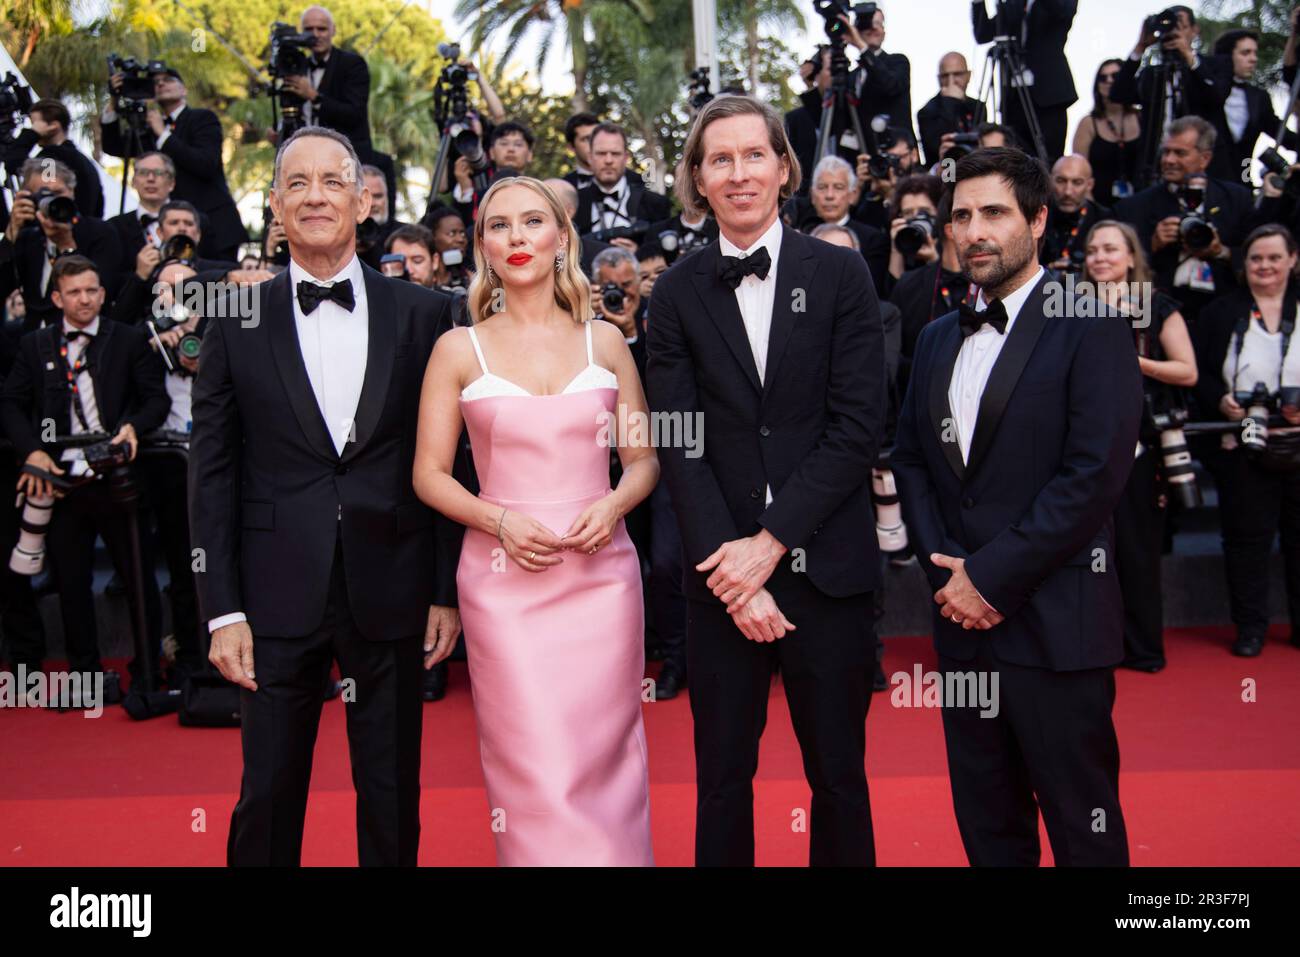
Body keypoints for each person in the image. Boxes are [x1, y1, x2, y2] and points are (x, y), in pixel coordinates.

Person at [188, 127, 463, 866]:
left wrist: (445, 588)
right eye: (297, 184)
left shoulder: (425, 313)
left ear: (362, 200)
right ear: (275, 205)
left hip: (396, 582)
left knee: (391, 790)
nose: (315, 197)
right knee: (269, 791)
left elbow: (449, 460)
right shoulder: (236, 317)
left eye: (332, 182)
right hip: (273, 593)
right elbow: (210, 470)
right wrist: (223, 607)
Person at [647, 95, 886, 867]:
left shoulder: (843, 274)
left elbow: (858, 429)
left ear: (784, 168)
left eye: (755, 155)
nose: (740, 173)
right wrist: (736, 571)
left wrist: (772, 543)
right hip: (720, 585)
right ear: (698, 178)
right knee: (721, 780)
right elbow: (679, 440)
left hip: (828, 570)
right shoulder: (675, 293)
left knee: (841, 780)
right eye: (720, 159)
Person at [892, 147, 1141, 866]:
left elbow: (1093, 475)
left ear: (1037, 219)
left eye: (994, 212)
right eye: (962, 215)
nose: (974, 230)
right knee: (989, 825)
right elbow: (910, 458)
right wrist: (948, 579)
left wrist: (988, 579)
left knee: (1082, 825)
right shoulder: (937, 337)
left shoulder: (1090, 323)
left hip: (1057, 626)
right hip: (964, 632)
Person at [412, 176, 657, 865]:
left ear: (560, 239)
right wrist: (499, 523)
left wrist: (612, 503)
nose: (517, 237)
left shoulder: (605, 342)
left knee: (608, 758)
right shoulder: (458, 349)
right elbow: (428, 475)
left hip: (603, 578)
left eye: (532, 222)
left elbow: (643, 460)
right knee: (535, 762)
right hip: (503, 581)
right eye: (499, 226)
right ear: (483, 246)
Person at [0, 256, 169, 697]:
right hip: (60, 481)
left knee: (138, 579)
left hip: (117, 475)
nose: (85, 299)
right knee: (72, 582)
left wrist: (134, 426)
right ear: (57, 298)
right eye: (74, 292)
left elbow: (155, 400)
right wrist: (33, 452)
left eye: (92, 290)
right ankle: (85, 675)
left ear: (102, 293)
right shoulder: (35, 345)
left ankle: (150, 670)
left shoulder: (129, 339)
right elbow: (11, 404)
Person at [1082, 220, 1198, 672]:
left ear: (1131, 257)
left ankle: (1143, 648)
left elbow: (1187, 372)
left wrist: (1134, 362)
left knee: (1135, 552)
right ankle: (1093, 646)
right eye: (1092, 250)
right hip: (1082, 445)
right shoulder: (1068, 306)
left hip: (1139, 447)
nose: (1100, 257)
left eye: (1110, 249)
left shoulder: (1157, 306)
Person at [1193, 224, 1300, 659]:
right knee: (1245, 541)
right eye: (1256, 258)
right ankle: (1250, 628)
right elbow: (1198, 372)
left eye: (1274, 257)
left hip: (1298, 439)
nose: (1265, 266)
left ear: (1293, 260)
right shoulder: (1222, 311)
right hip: (1242, 441)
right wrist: (1221, 400)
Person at [102, 65, 249, 262]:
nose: (161, 83)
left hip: (214, 229)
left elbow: (206, 164)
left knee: (216, 288)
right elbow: (114, 147)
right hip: (171, 232)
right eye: (155, 82)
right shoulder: (148, 128)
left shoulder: (202, 118)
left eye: (168, 79)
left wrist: (164, 135)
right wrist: (114, 100)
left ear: (183, 90)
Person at [1114, 116, 1254, 321]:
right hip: (1158, 312)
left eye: (1180, 153)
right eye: (1166, 152)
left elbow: (1255, 256)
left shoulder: (1237, 199)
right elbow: (1117, 267)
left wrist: (1220, 251)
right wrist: (1151, 245)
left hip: (1221, 312)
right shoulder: (1134, 207)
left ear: (1204, 159)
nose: (1169, 160)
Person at [1110, 6, 1231, 187]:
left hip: (1202, 171)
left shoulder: (1214, 65)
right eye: (1168, 25)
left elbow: (1217, 96)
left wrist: (1189, 58)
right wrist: (1140, 47)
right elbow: (1119, 93)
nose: (1173, 31)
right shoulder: (1152, 74)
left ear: (1194, 30)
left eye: (1179, 25)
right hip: (1155, 168)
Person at [0, 158, 122, 333]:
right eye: (43, 195)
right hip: (33, 343)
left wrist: (66, 245)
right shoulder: (28, 237)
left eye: (58, 193)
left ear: (72, 192)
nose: (52, 202)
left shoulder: (100, 233)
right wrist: (11, 232)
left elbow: (99, 295)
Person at [971, 0, 1078, 161]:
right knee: (1016, 159)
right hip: (1014, 97)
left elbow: (1062, 12)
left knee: (1049, 159)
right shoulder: (1014, 4)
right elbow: (983, 34)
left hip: (1049, 96)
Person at [1207, 30, 1300, 184]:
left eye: (1255, 53)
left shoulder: (1259, 98)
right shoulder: (1204, 91)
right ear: (1226, 57)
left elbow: (1279, 132)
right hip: (1205, 183)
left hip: (1242, 181)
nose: (1253, 59)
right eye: (1245, 53)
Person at [1, 98, 105, 220]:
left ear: (53, 126)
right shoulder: (84, 161)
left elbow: (14, 163)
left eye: (34, 123)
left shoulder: (53, 157)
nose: (32, 127)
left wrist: (31, 134)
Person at [573, 122, 671, 241]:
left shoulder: (656, 204)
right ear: (590, 157)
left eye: (615, 154)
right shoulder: (573, 206)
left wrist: (639, 254)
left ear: (626, 158)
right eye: (601, 153)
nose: (608, 160)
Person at [805, 156, 889, 293]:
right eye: (822, 187)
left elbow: (872, 292)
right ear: (812, 196)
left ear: (853, 195)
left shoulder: (872, 240)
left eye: (838, 187)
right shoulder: (800, 235)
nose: (829, 195)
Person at [1071, 60, 1143, 204]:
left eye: (1115, 76)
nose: (1109, 81)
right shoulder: (1088, 123)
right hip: (1098, 205)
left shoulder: (1142, 118)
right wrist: (1092, 208)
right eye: (1103, 78)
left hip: (1139, 204)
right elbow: (1078, 170)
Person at [1043, 154, 1111, 273]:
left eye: (1077, 182)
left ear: (1089, 185)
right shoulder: (1034, 214)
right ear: (1050, 181)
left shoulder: (1105, 221)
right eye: (1061, 181)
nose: (1068, 191)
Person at [917, 53, 982, 167]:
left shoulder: (977, 106)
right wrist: (950, 102)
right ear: (938, 78)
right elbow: (936, 147)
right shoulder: (927, 112)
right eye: (945, 76)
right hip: (945, 173)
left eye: (957, 74)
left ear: (968, 76)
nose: (951, 81)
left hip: (976, 168)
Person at [107, 151, 174, 259]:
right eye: (143, 172)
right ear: (133, 182)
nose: (150, 179)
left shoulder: (193, 222)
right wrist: (140, 275)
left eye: (158, 172)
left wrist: (178, 275)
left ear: (171, 183)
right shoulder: (114, 227)